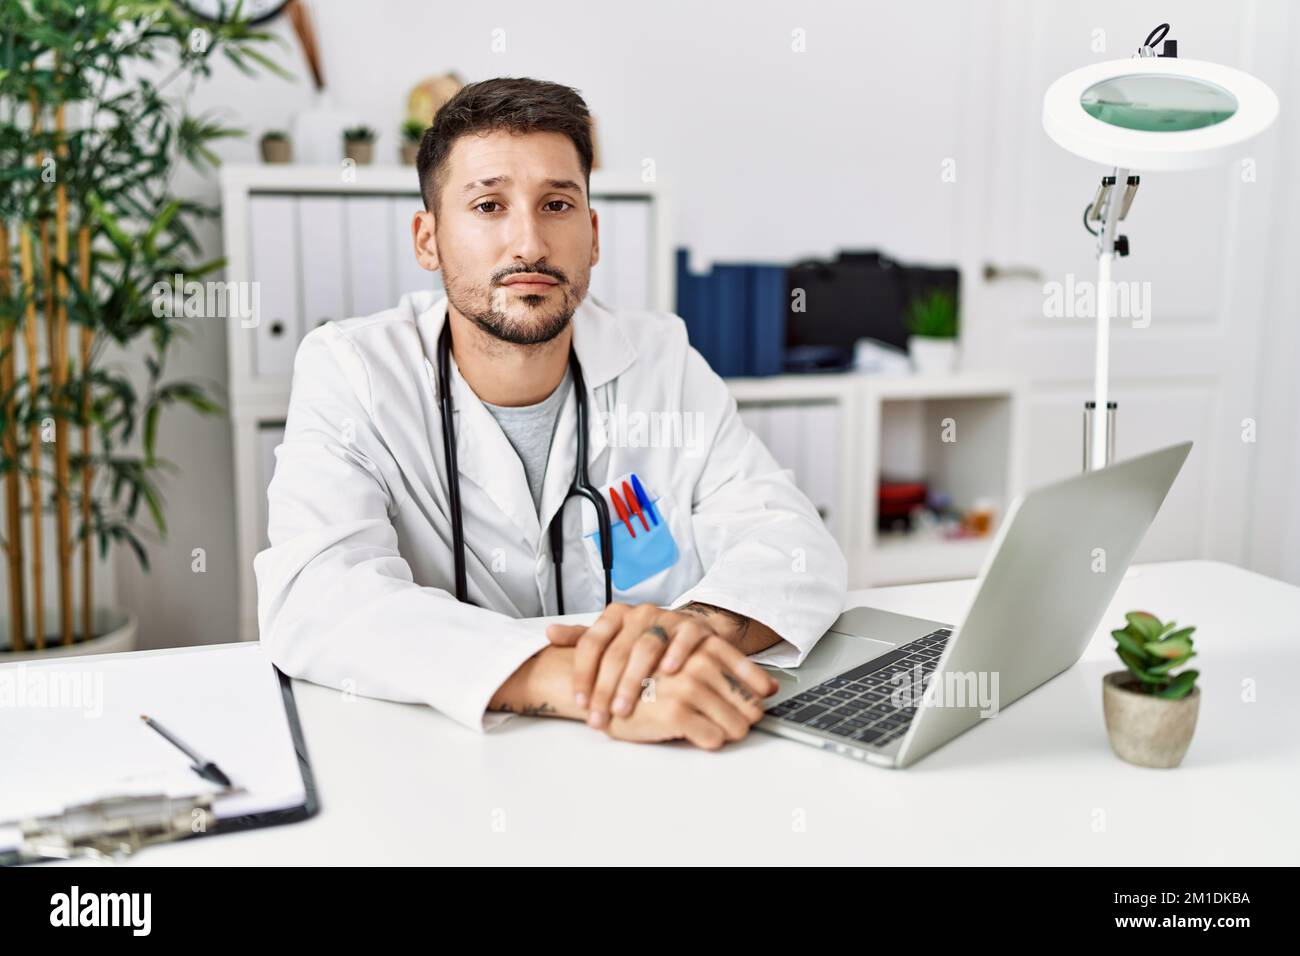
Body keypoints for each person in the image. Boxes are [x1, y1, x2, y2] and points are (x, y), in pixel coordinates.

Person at [254, 77, 847, 750]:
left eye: (557, 203)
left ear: (592, 235)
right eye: (488, 205)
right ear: (428, 239)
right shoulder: (353, 371)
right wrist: (574, 682)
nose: (529, 244)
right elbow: (318, 598)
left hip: (662, 754)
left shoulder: (661, 359)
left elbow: (794, 543)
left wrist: (693, 629)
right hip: (450, 763)